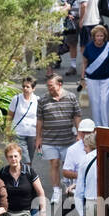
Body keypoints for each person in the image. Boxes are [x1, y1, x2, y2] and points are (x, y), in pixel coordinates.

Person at [36, 71, 81, 206]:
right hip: (50, 139)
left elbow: (77, 116)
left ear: (59, 84)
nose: (49, 88)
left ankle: (70, 187)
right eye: (48, 86)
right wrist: (38, 138)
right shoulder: (43, 100)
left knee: (68, 167)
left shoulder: (71, 97)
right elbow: (39, 120)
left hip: (68, 139)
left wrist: (80, 134)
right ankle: (56, 190)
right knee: (54, 163)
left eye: (51, 85)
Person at [62, 116, 96, 216]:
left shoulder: (98, 148)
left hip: (91, 195)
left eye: (89, 133)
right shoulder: (73, 150)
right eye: (84, 133)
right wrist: (81, 177)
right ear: (80, 133)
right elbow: (66, 171)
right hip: (80, 194)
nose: (86, 136)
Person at [0, 141, 46, 216]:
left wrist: (43, 212)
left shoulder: (29, 171)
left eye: (15, 156)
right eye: (10, 157)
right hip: (11, 215)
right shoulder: (3, 173)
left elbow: (41, 192)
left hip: (30, 213)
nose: (13, 159)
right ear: (7, 158)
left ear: (20, 157)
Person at [83, 24, 109, 128]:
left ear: (105, 36)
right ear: (94, 37)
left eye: (101, 36)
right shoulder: (89, 47)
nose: (99, 38)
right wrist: (82, 77)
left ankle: (105, 126)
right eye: (97, 36)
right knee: (95, 102)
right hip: (91, 79)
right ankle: (97, 126)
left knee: (104, 101)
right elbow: (85, 63)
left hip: (106, 78)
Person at [6, 76, 39, 165]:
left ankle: (24, 177)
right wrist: (8, 131)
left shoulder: (37, 100)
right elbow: (9, 116)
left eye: (28, 87)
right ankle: (25, 177)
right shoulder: (16, 99)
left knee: (29, 160)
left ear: (33, 89)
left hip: (32, 134)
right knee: (25, 160)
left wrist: (40, 136)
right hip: (18, 133)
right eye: (23, 86)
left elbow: (40, 119)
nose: (25, 88)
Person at [77, 0, 102, 79]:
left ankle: (85, 74)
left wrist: (81, 19)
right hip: (96, 20)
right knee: (95, 46)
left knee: (84, 49)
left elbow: (84, 4)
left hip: (87, 22)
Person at [61, 0, 84, 77]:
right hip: (72, 20)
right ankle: (73, 66)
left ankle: (85, 67)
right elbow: (63, 3)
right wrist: (67, 14)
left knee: (84, 44)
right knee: (72, 43)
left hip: (84, 20)